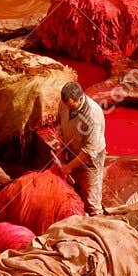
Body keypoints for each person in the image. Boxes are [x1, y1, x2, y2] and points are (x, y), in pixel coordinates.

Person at [56, 81, 106, 214]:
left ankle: (96, 219)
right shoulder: (65, 103)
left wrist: (68, 167)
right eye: (67, 106)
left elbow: (88, 151)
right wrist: (61, 148)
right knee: (75, 187)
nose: (69, 109)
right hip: (72, 149)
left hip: (90, 159)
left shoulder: (93, 115)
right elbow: (60, 124)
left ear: (80, 98)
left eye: (72, 106)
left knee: (91, 200)